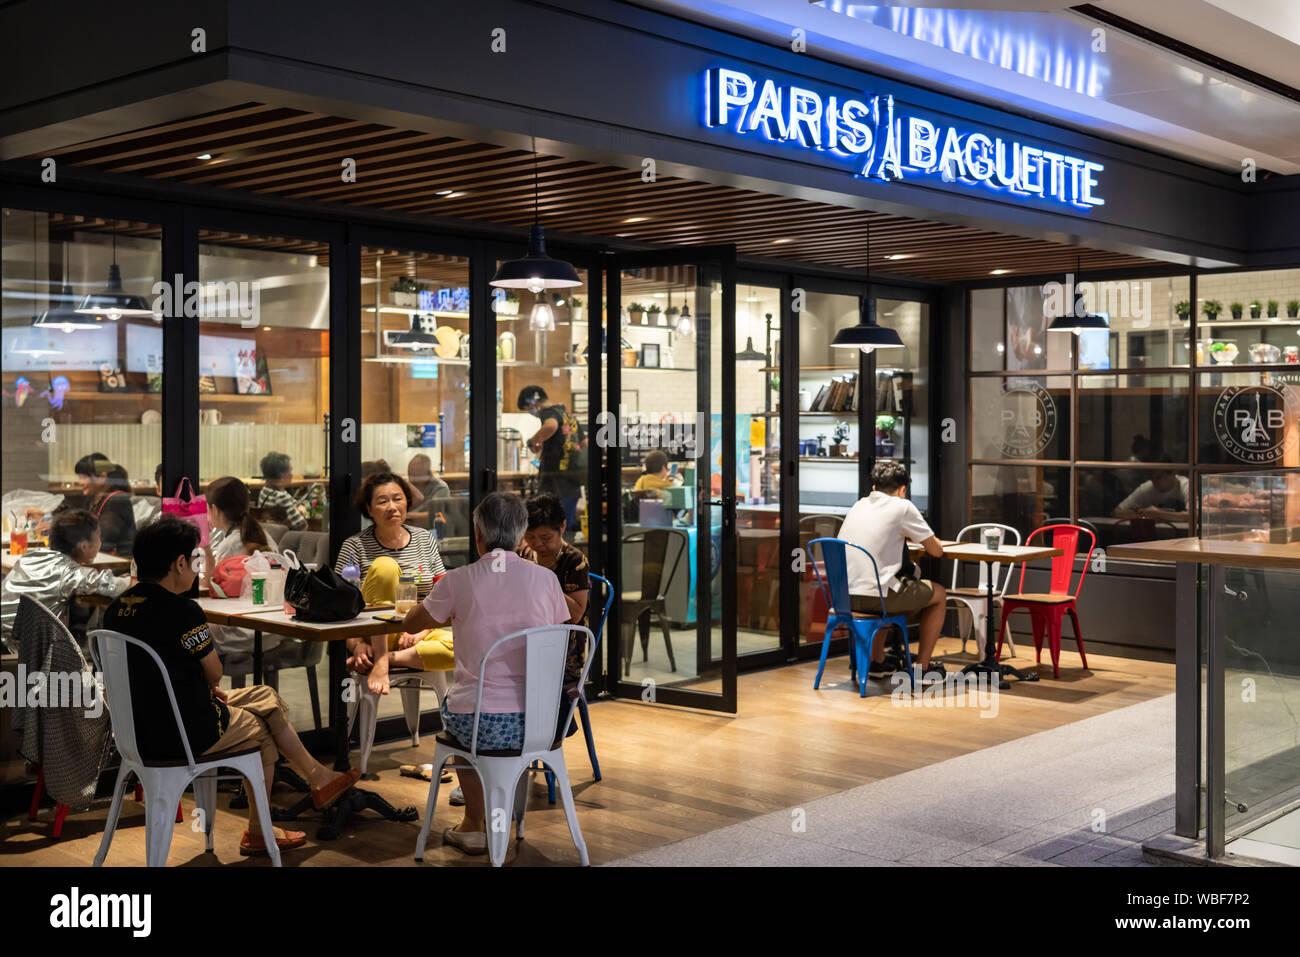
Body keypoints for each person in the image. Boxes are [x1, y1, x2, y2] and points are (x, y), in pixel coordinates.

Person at [104, 516, 360, 855]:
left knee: (265, 696)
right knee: (263, 726)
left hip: (136, 730)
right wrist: (207, 686)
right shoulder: (184, 611)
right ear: (178, 563)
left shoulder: (116, 609)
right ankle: (262, 825)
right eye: (194, 561)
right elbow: (214, 673)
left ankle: (316, 779)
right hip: (185, 730)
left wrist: (203, 687)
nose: (197, 569)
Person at [400, 492, 570, 856]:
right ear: (523, 535)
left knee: (458, 707)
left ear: (477, 533)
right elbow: (558, 636)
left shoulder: (459, 580)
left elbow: (412, 621)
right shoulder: (546, 580)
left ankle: (473, 824)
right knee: (492, 722)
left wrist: (428, 612)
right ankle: (505, 813)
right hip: (539, 724)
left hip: (478, 724)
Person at [334, 471, 450, 695]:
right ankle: (381, 653)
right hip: (371, 632)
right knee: (385, 566)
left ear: (407, 502)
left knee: (468, 646)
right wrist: (357, 645)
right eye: (382, 501)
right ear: (369, 509)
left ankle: (385, 659)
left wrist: (423, 630)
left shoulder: (424, 539)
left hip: (416, 633)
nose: (392, 506)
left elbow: (444, 594)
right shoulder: (354, 546)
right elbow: (339, 609)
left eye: (398, 499)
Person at [837, 460, 948, 684]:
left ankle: (877, 662)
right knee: (938, 594)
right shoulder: (902, 506)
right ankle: (922, 668)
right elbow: (936, 551)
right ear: (903, 490)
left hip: (845, 598)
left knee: (886, 581)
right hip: (878, 598)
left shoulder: (859, 505)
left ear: (874, 488)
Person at [1, 508, 129, 647]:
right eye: (98, 536)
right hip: (17, 651)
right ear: (84, 545)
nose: (100, 542)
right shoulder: (69, 572)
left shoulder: (30, 556)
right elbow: (115, 586)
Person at [522, 494, 591, 715]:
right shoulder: (523, 553)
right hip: (525, 639)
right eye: (530, 537)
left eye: (545, 537)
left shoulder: (574, 560)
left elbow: (576, 615)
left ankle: (543, 737)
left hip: (564, 650)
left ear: (562, 527)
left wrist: (541, 579)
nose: (537, 544)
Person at [204, 477, 280, 659]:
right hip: (273, 631)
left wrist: (206, 550)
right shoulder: (265, 537)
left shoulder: (229, 545)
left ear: (215, 510)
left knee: (192, 631)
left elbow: (210, 586)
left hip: (243, 633)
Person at [518, 385, 585, 529]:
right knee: (567, 526)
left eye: (528, 409)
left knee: (551, 528)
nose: (531, 413)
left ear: (532, 403)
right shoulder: (566, 413)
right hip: (572, 481)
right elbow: (584, 441)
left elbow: (551, 426)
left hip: (555, 481)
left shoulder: (548, 412)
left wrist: (533, 440)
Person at [74, 453, 136, 557]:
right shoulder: (91, 500)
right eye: (79, 477)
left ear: (102, 477)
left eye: (84, 477)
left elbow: (103, 540)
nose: (80, 482)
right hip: (99, 559)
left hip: (119, 564)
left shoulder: (117, 501)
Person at [1112, 464, 1189, 523]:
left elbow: (1195, 516)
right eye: (1152, 478)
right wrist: (1143, 514)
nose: (1154, 482)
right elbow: (1116, 512)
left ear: (1173, 473)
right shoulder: (1148, 486)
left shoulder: (1185, 485)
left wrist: (1157, 513)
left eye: (1159, 477)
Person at [257, 452, 309, 530]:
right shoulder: (281, 497)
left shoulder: (264, 490)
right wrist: (300, 512)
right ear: (283, 475)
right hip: (284, 538)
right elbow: (302, 525)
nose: (292, 475)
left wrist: (296, 508)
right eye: (290, 471)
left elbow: (295, 504)